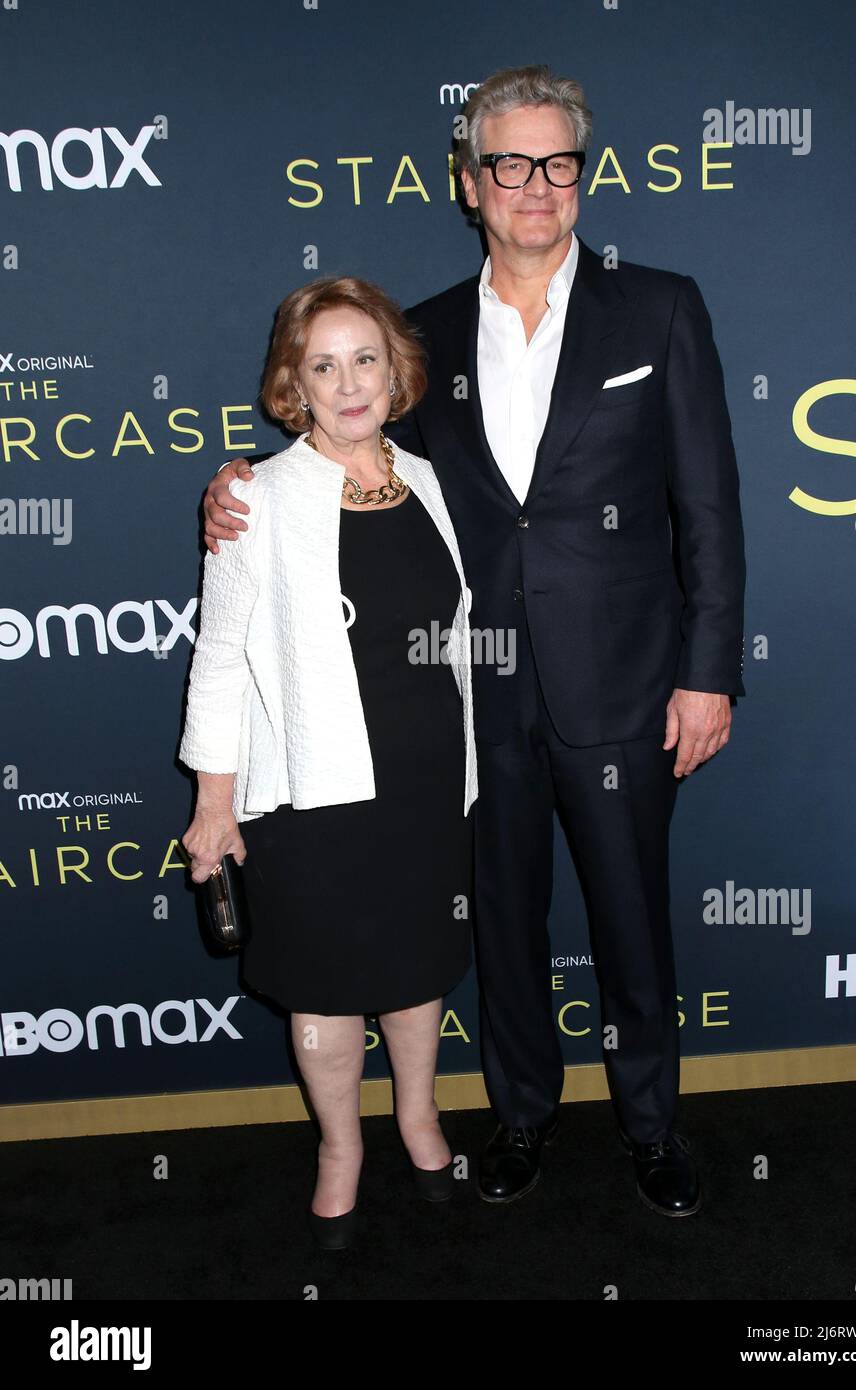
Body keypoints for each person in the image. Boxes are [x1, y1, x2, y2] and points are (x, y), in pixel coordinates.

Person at [202, 66, 746, 1218]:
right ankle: (521, 1116)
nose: (534, 186)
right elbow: (340, 460)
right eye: (509, 163)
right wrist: (234, 488)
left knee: (632, 918)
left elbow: (708, 509)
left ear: (580, 178)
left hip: (626, 683)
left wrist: (708, 672)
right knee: (501, 920)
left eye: (557, 163)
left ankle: (652, 1126)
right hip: (472, 698)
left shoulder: (657, 306)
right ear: (470, 181)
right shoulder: (424, 335)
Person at [179, 276, 478, 1249]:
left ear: (395, 371)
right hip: (313, 795)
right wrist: (213, 805)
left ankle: (421, 1118)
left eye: (364, 359)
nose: (347, 383)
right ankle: (339, 1148)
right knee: (325, 979)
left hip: (429, 782)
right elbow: (219, 655)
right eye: (322, 365)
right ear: (292, 386)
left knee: (416, 968)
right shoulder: (255, 497)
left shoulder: (434, 484)